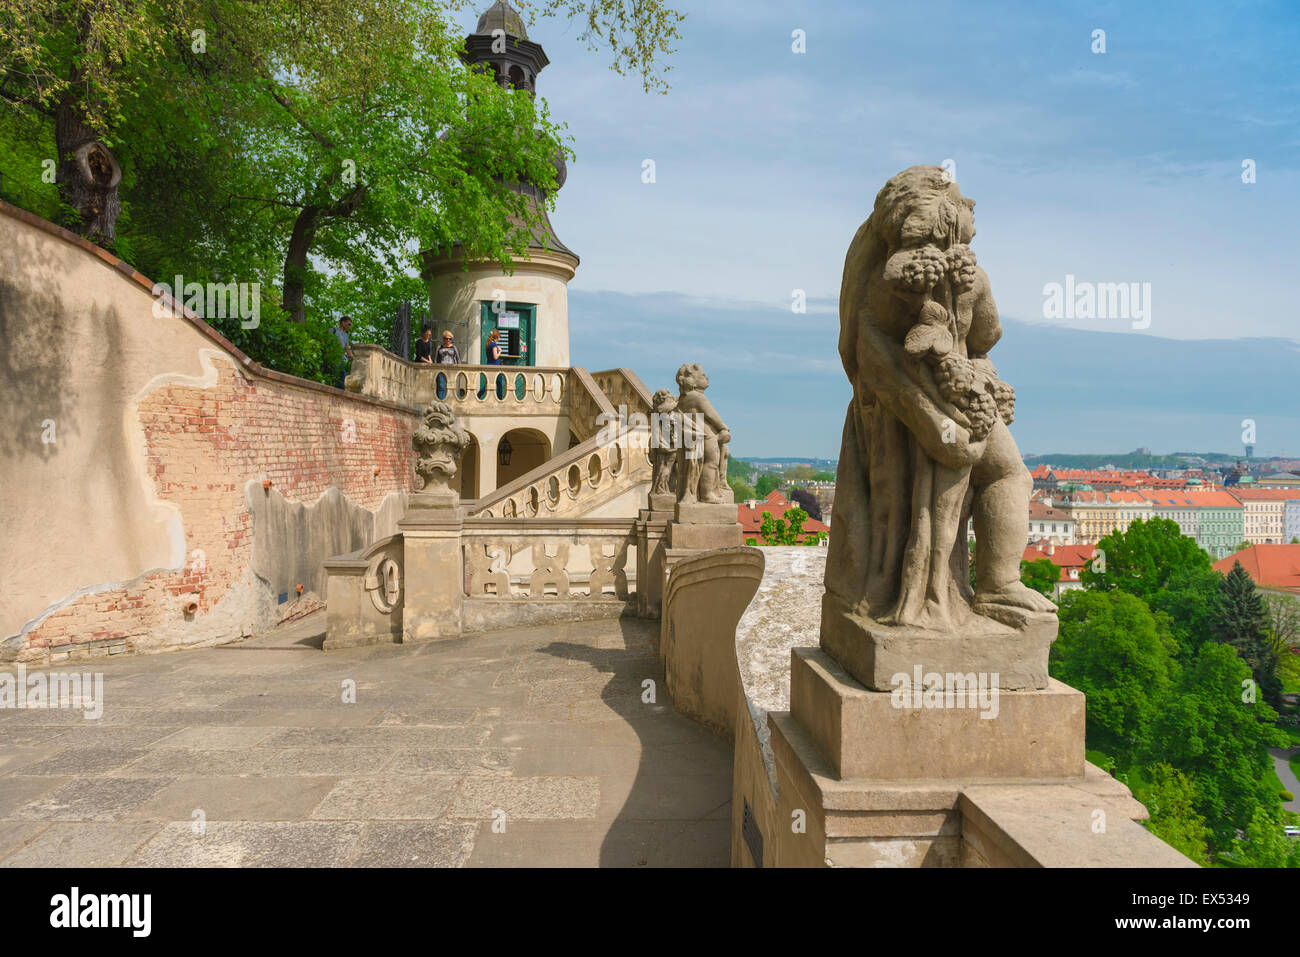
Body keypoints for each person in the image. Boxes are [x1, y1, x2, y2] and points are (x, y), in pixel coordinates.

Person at [334, 316, 354, 389]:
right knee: (338, 375)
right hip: (333, 356)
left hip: (341, 358)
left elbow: (347, 348)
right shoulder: (333, 330)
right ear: (343, 322)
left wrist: (353, 358)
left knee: (342, 375)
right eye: (349, 324)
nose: (349, 326)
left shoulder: (345, 335)